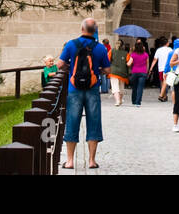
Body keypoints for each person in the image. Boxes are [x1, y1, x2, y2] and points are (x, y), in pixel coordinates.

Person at [56, 17, 112, 169]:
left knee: (72, 121)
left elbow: (60, 64)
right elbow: (107, 70)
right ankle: (92, 161)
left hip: (74, 89)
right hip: (92, 89)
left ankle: (70, 161)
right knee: (94, 122)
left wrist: (71, 68)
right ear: (95, 31)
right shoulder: (100, 48)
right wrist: (97, 70)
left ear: (82, 29)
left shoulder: (71, 44)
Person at [108, 39, 131, 107]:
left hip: (113, 72)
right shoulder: (126, 53)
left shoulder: (111, 51)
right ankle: (120, 100)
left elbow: (107, 60)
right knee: (121, 87)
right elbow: (128, 63)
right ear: (123, 45)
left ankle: (117, 101)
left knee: (115, 87)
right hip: (123, 72)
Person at [128, 39, 150, 106]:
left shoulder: (133, 54)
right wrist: (147, 72)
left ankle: (134, 101)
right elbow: (147, 64)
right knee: (140, 88)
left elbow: (129, 64)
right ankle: (138, 102)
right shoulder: (146, 55)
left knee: (134, 87)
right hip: (143, 72)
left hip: (135, 72)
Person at [154, 37, 175, 101]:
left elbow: (155, 59)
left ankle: (163, 95)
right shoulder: (170, 49)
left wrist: (151, 68)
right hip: (168, 68)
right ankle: (163, 96)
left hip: (160, 68)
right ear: (167, 43)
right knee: (166, 82)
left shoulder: (158, 50)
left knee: (162, 82)